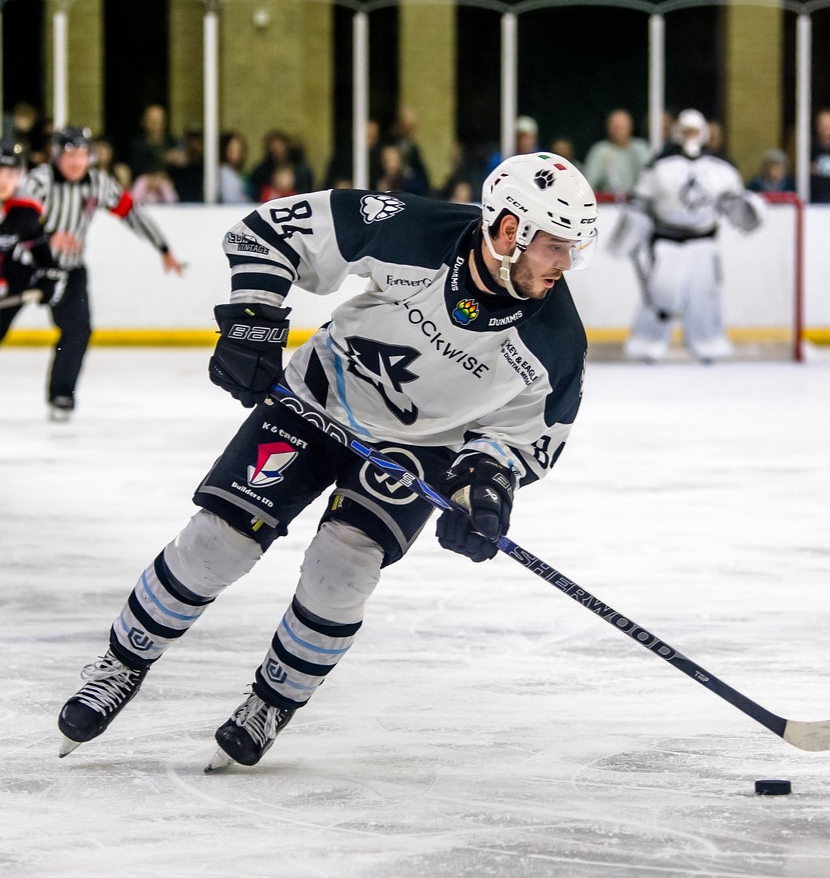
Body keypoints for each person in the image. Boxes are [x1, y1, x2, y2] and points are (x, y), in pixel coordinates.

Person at [55, 151, 598, 770]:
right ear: (509, 231)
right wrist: (252, 322)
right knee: (217, 543)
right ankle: (120, 665)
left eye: (574, 248)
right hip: (316, 398)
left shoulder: (557, 342)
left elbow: (529, 437)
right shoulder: (413, 229)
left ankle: (272, 702)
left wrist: (484, 488)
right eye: (556, 245)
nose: (566, 264)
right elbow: (274, 229)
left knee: (342, 570)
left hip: (417, 449)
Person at [21, 125, 185, 420]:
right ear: (57, 155)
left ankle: (61, 394)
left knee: (78, 330)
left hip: (69, 269)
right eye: (71, 155)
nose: (77, 162)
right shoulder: (40, 180)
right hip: (26, 264)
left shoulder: (97, 183)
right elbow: (21, 216)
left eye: (84, 155)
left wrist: (163, 247)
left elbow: (131, 213)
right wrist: (47, 237)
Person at [623, 108, 764, 363]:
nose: (691, 136)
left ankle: (708, 343)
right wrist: (629, 236)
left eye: (695, 131)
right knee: (661, 294)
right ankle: (649, 343)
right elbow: (641, 204)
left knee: (704, 296)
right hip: (667, 241)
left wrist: (748, 213)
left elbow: (733, 204)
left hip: (704, 242)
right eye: (686, 130)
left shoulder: (720, 168)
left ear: (704, 133)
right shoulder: (659, 165)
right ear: (678, 132)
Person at [0, 140, 64, 336]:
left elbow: (38, 246)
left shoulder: (23, 209)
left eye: (11, 173)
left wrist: (48, 277)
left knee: (22, 274)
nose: (3, 180)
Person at [583, 109, 651, 198]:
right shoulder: (600, 150)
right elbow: (588, 184)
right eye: (614, 126)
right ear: (608, 128)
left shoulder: (641, 148)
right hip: (610, 205)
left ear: (630, 127)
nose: (618, 131)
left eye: (622, 127)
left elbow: (651, 177)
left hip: (639, 202)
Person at [218, 131, 250, 203]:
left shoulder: (234, 172)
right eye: (232, 149)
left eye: (239, 150)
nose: (237, 153)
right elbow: (230, 201)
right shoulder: (224, 173)